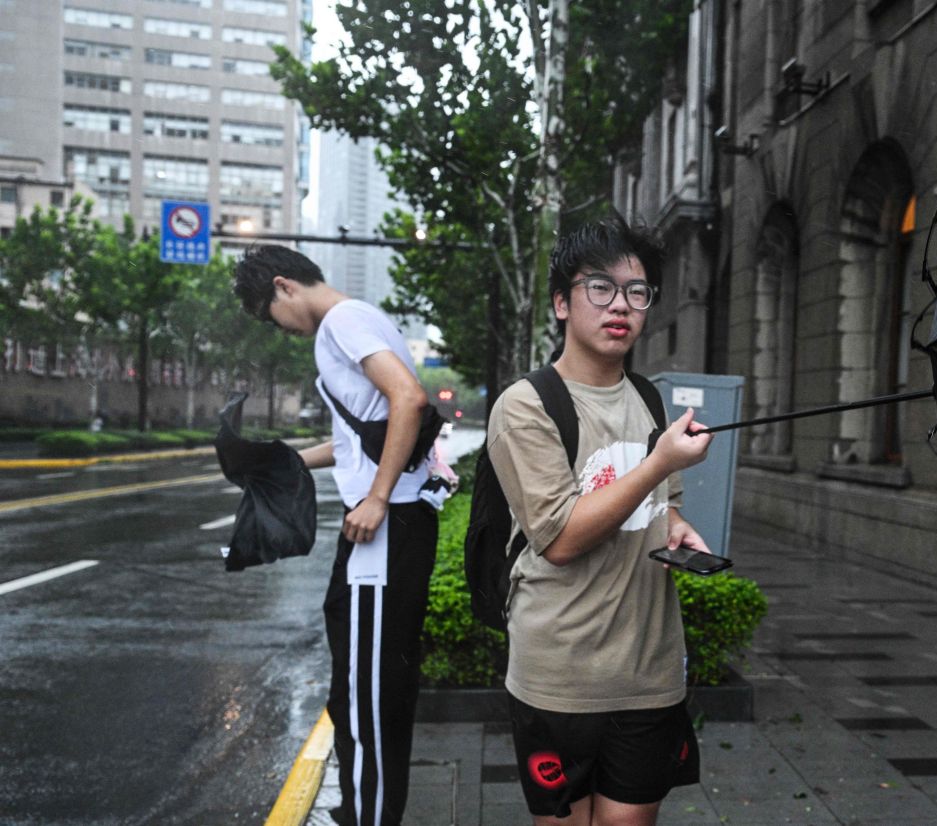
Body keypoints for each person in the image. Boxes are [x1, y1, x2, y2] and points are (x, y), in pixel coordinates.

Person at [486, 218, 715, 825]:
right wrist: (658, 458)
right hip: (558, 674)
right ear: (562, 303)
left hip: (649, 671)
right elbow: (559, 540)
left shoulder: (649, 398)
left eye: (638, 292)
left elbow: (663, 505)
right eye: (600, 288)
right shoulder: (526, 405)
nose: (622, 305)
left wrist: (677, 528)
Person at [232, 245, 437, 826]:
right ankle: (360, 810)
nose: (282, 329)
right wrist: (284, 461)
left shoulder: (343, 321)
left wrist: (375, 497)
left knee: (369, 697)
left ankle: (369, 818)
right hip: (385, 524)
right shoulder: (358, 320)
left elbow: (409, 399)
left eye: (271, 313)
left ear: (284, 287)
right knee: (359, 684)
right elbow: (361, 437)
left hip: (386, 524)